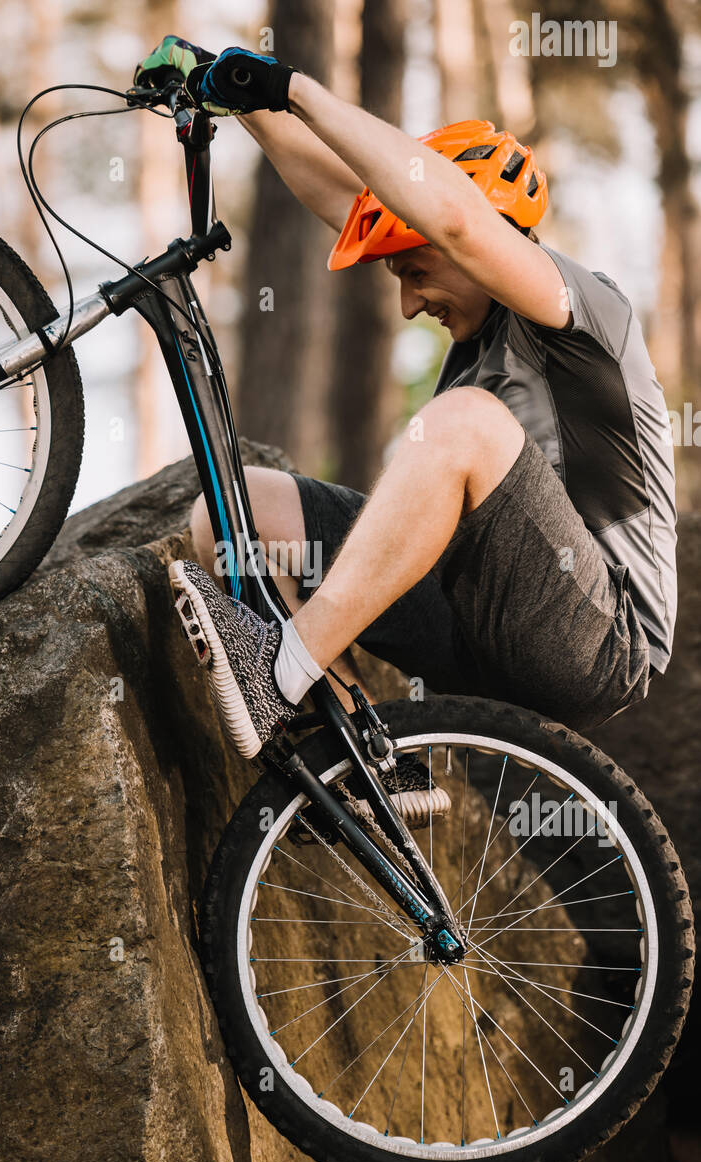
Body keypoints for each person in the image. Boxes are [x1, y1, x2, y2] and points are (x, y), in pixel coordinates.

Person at [135, 38, 677, 763]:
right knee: (234, 513)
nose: (406, 303)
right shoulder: (472, 353)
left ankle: (283, 669)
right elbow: (349, 198)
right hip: (473, 628)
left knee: (460, 426)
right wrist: (245, 103)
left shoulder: (583, 313)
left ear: (480, 242)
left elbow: (453, 219)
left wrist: (296, 88)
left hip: (598, 643)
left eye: (416, 272)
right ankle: (360, 753)